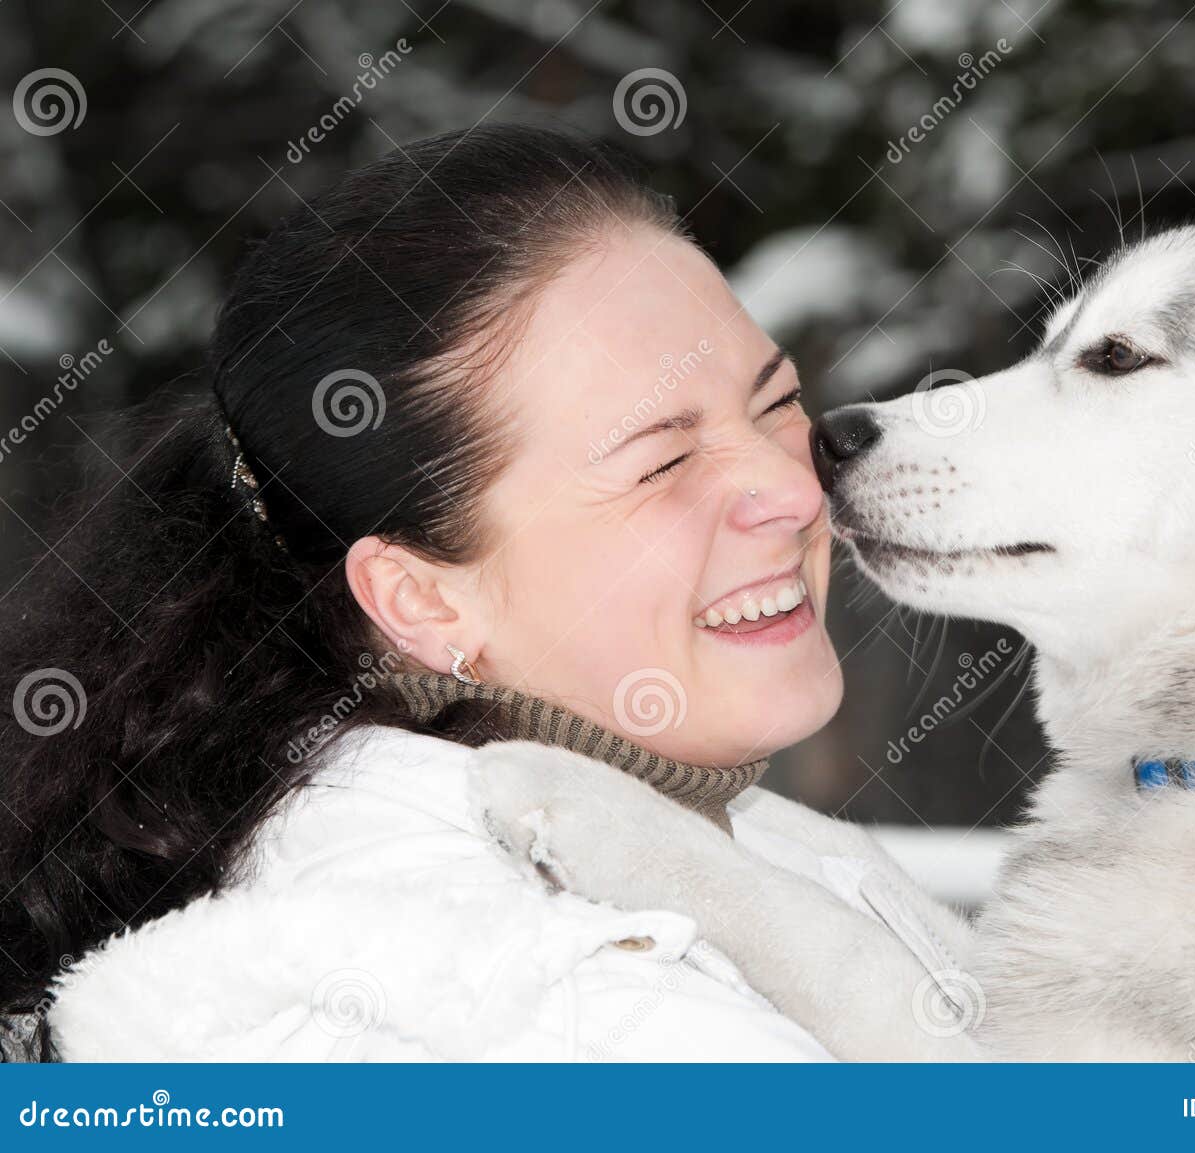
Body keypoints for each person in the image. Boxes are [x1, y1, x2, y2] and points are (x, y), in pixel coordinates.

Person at [0, 125, 970, 1061]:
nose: (794, 490)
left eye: (776, 400)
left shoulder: (707, 833)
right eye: (663, 463)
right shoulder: (564, 1018)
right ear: (422, 600)